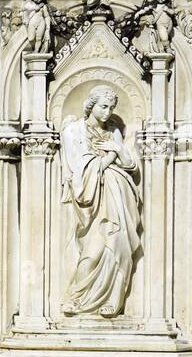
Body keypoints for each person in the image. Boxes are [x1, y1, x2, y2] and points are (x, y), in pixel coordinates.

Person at [59, 85, 142, 317]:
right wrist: (108, 160)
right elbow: (78, 168)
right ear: (91, 105)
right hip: (92, 199)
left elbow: (131, 164)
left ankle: (115, 299)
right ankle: (75, 297)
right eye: (103, 107)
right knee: (93, 251)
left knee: (119, 246)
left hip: (119, 196)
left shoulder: (114, 131)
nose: (107, 112)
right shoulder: (74, 131)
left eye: (111, 108)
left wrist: (116, 150)